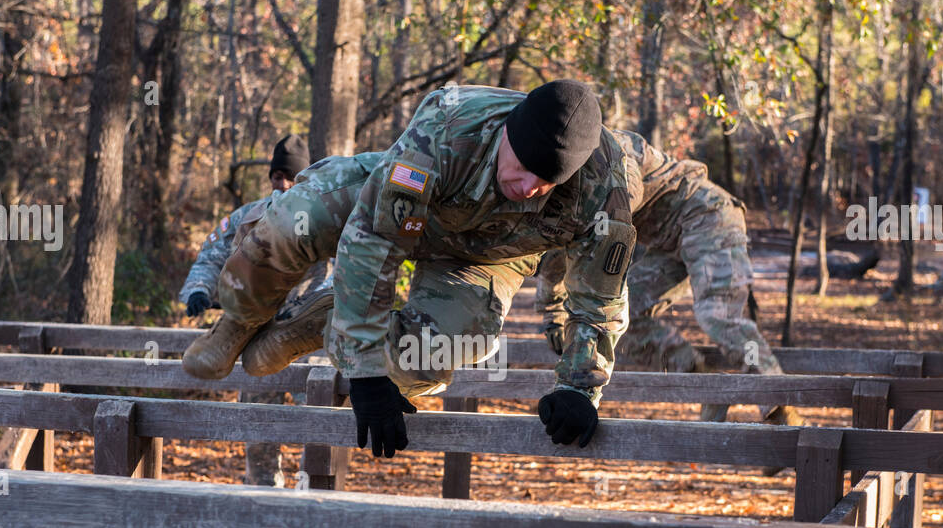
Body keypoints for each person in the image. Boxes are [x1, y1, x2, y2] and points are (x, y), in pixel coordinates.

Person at [182, 80, 637, 458]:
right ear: (506, 133)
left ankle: (322, 322)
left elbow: (599, 298)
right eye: (522, 168)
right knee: (292, 221)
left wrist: (579, 389)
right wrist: (364, 372)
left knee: (442, 351)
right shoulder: (449, 125)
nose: (528, 188)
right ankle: (240, 320)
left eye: (546, 182)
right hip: (403, 211)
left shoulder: (606, 186)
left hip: (486, 258)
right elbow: (374, 242)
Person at [533, 129, 802, 429]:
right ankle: (703, 383)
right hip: (668, 242)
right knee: (622, 315)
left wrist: (590, 234)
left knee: (717, 315)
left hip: (708, 215)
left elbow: (611, 209)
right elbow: (557, 252)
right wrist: (552, 315)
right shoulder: (566, 178)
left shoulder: (612, 152)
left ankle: (778, 406)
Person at [177, 133, 312, 486]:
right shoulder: (249, 216)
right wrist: (199, 290)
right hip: (259, 336)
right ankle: (263, 497)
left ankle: (315, 496)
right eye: (277, 176)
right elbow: (212, 254)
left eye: (291, 177)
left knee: (319, 426)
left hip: (310, 339)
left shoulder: (324, 216)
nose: (283, 185)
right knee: (259, 425)